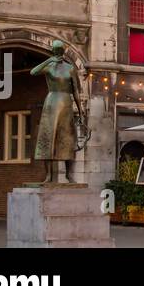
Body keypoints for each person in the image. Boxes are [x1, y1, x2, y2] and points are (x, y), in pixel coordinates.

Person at [30, 41, 83, 184]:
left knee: (67, 138)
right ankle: (48, 176)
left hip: (66, 102)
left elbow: (76, 91)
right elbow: (33, 72)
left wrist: (81, 112)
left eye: (60, 50)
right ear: (53, 51)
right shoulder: (49, 66)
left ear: (63, 51)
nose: (58, 52)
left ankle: (68, 175)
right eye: (55, 50)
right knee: (48, 137)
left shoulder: (70, 69)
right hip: (51, 102)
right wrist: (49, 60)